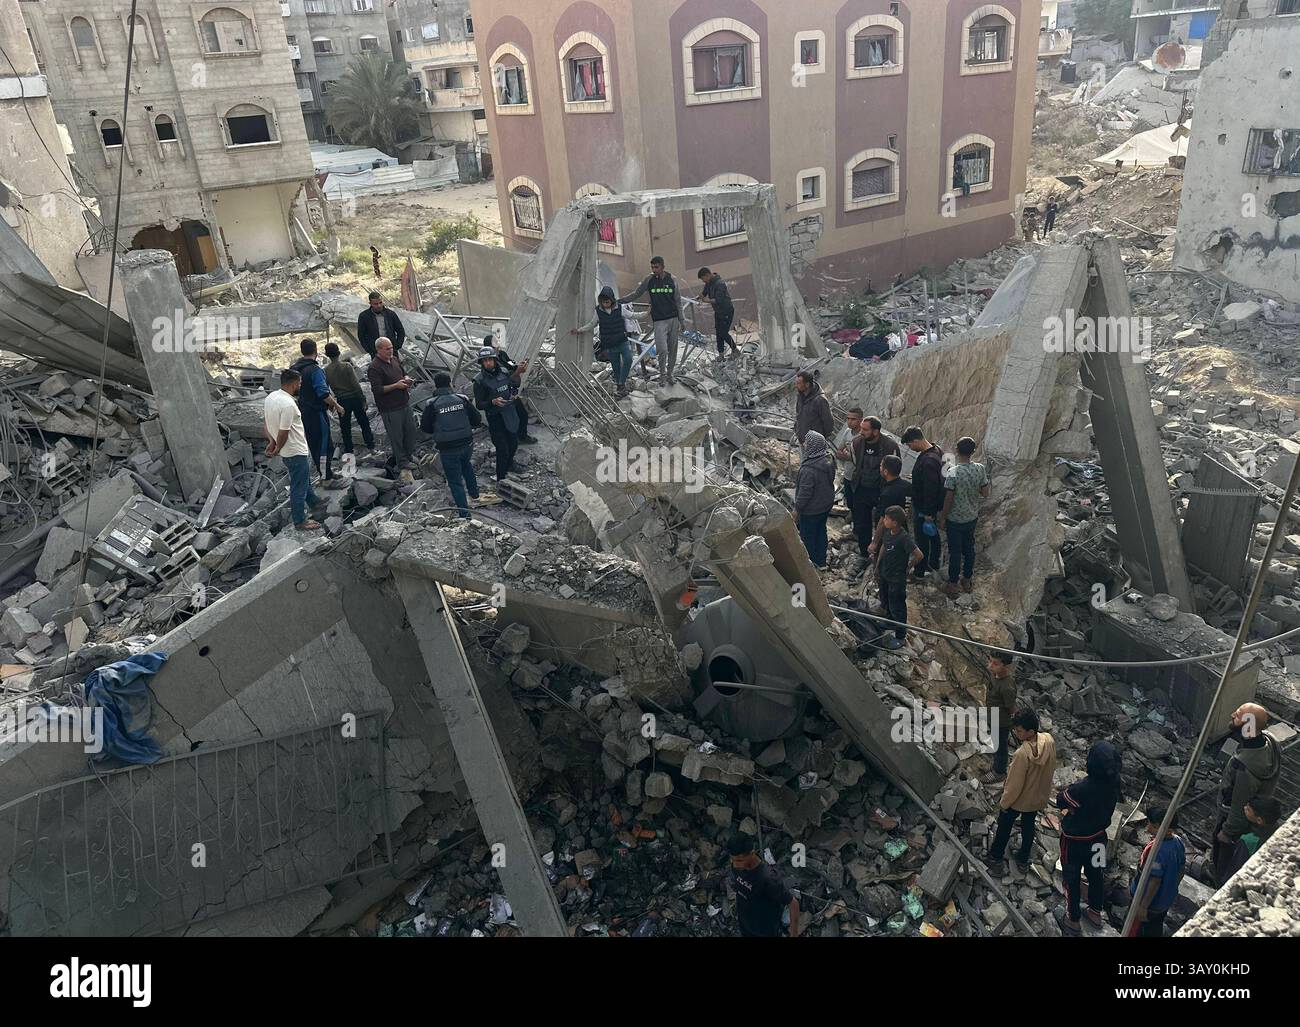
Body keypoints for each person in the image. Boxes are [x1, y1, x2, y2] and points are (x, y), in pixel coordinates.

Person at [1053, 739, 1123, 935]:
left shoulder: (1083, 788)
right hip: (1099, 840)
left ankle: (1073, 919)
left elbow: (1061, 800)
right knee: (1096, 875)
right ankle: (1095, 912)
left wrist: (1072, 809)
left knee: (1071, 879)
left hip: (1074, 843)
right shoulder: (1114, 783)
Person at [1213, 702, 1282, 884]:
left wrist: (1227, 832)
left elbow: (1239, 802)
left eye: (1236, 716)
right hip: (1255, 811)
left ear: (1248, 726)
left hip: (1237, 820)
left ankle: (1219, 881)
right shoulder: (1269, 742)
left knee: (1224, 854)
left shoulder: (1245, 767)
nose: (1231, 715)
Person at [420, 372, 499, 518]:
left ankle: (465, 514)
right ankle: (474, 494)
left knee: (455, 481)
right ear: (450, 384)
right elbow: (476, 419)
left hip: (447, 448)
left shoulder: (431, 404)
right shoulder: (461, 399)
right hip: (466, 443)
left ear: (436, 386)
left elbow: (425, 427)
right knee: (466, 465)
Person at [987, 708, 1056, 873]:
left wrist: (1004, 803)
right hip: (1037, 797)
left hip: (1019, 799)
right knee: (1028, 826)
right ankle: (1023, 859)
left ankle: (995, 857)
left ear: (1030, 732)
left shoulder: (1022, 754)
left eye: (1018, 731)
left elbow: (1014, 785)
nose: (1015, 733)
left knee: (1004, 825)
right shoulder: (1048, 741)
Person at [264, 369, 324, 531]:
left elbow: (267, 423)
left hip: (289, 450)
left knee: (303, 478)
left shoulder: (271, 397)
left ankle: (314, 502)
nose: (300, 386)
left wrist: (271, 441)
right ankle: (300, 521)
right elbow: (284, 431)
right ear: (293, 384)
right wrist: (277, 448)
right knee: (298, 486)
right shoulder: (288, 404)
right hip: (294, 450)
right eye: (300, 384)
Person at [1124, 805, 1186, 938]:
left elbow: (1154, 881)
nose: (1148, 828)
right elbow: (1182, 869)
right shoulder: (1178, 842)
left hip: (1148, 903)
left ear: (1168, 829)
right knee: (1155, 926)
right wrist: (1172, 889)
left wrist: (1143, 906)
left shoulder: (1156, 851)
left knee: (1136, 930)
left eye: (1154, 826)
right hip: (1164, 902)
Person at [618, 257, 682, 385]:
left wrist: (682, 320)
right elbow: (636, 293)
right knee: (662, 349)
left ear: (663, 266)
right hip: (659, 320)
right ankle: (662, 375)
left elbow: (678, 301)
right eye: (652, 267)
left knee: (673, 349)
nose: (654, 270)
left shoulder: (672, 280)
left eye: (656, 267)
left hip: (673, 319)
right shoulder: (649, 280)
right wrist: (620, 300)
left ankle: (670, 375)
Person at [939, 436, 989, 597]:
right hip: (971, 517)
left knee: (955, 552)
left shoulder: (953, 472)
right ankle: (967, 579)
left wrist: (943, 517)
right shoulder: (980, 469)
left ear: (956, 450)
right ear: (973, 451)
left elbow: (949, 498)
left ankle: (953, 583)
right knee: (969, 549)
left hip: (955, 519)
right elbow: (985, 492)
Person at [289, 338, 344, 484]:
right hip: (316, 412)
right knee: (325, 445)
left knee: (314, 444)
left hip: (303, 412)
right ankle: (326, 478)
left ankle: (326, 473)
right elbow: (323, 393)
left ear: (302, 351)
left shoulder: (294, 369)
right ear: (316, 351)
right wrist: (337, 406)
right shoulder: (315, 370)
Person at [727, 833, 799, 938]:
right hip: (745, 922)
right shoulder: (736, 866)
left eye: (740, 860)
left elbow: (793, 903)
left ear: (752, 854)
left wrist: (794, 934)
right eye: (733, 860)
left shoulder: (768, 879)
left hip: (764, 929)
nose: (736, 865)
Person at [850, 417, 900, 567]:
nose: (861, 432)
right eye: (861, 428)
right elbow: (855, 463)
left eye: (865, 429)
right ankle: (864, 555)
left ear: (876, 431)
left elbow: (896, 466)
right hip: (862, 489)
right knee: (861, 523)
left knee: (883, 523)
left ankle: (881, 555)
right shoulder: (857, 443)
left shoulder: (890, 446)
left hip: (881, 491)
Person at [872, 506, 922, 651]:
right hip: (886, 574)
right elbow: (883, 547)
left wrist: (907, 568)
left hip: (897, 578)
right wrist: (878, 565)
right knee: (886, 600)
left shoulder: (903, 538)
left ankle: (900, 635)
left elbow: (919, 555)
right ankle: (889, 621)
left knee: (897, 606)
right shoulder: (888, 532)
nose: (884, 521)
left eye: (887, 519)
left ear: (895, 522)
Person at [366, 337, 419, 472]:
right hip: (390, 408)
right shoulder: (374, 367)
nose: (391, 350)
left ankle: (408, 455)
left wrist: (407, 379)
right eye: (387, 349)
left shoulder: (394, 359)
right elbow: (377, 390)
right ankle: (402, 462)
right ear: (378, 350)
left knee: (410, 431)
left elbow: (404, 373)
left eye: (391, 348)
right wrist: (396, 385)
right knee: (397, 436)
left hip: (404, 403)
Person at [473, 345, 525, 482]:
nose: (488, 363)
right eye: (485, 361)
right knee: (502, 449)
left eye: (490, 359)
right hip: (495, 418)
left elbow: (513, 386)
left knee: (513, 444)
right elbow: (479, 404)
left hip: (509, 413)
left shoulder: (503, 372)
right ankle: (501, 479)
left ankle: (509, 465)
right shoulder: (479, 381)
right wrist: (493, 402)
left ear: (495, 360)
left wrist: (513, 394)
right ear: (481, 363)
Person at [573, 287, 635, 397]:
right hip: (609, 343)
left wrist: (647, 313)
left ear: (612, 300)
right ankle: (620, 387)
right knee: (615, 366)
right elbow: (592, 324)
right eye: (603, 302)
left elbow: (632, 316)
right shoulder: (598, 311)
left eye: (607, 301)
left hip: (622, 340)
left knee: (628, 359)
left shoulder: (619, 308)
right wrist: (579, 330)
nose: (605, 304)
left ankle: (621, 382)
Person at [900, 427, 945, 579]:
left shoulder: (928, 461)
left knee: (923, 540)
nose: (910, 448)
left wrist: (927, 513)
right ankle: (933, 564)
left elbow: (931, 489)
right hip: (929, 506)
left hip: (925, 507)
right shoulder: (936, 450)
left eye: (910, 444)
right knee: (932, 536)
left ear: (916, 441)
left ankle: (920, 571)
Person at [483, 333, 536, 445]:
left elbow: (511, 364)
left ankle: (522, 437)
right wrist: (517, 372)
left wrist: (520, 366)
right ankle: (511, 439)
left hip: (511, 391)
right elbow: (501, 381)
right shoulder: (490, 363)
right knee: (506, 419)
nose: (499, 345)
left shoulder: (502, 355)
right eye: (496, 344)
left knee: (522, 414)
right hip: (499, 394)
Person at [323, 342, 374, 456]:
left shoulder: (326, 371)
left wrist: (331, 404)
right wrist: (363, 400)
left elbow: (326, 390)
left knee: (345, 429)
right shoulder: (346, 366)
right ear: (339, 353)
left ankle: (349, 452)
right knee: (364, 423)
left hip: (341, 401)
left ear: (327, 355)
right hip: (355, 398)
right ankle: (371, 448)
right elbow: (356, 385)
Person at [794, 430, 835, 568]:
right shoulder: (828, 459)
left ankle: (809, 565)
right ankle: (821, 561)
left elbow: (805, 493)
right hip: (825, 505)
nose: (804, 445)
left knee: (808, 536)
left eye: (807, 442)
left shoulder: (808, 470)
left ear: (812, 446)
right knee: (820, 532)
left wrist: (796, 510)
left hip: (811, 509)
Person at [1220, 796, 1281, 883]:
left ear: (1259, 820)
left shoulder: (1248, 841)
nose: (1244, 808)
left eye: (1248, 810)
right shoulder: (1277, 828)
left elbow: (1236, 867)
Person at [985, 652, 1018, 778]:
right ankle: (996, 765)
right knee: (995, 743)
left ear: (1005, 666)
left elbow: (1012, 708)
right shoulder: (995, 675)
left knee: (1000, 746)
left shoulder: (1007, 686)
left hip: (1001, 722)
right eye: (990, 661)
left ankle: (999, 772)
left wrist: (1016, 724)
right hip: (992, 716)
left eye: (995, 663)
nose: (990, 666)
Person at [698, 267, 739, 360]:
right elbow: (704, 292)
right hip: (718, 312)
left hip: (726, 310)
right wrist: (700, 296)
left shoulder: (720, 284)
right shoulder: (709, 283)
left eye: (703, 279)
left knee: (723, 332)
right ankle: (721, 354)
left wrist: (707, 301)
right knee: (718, 332)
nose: (703, 281)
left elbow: (719, 300)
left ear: (707, 275)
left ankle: (735, 350)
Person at [357, 291, 406, 357]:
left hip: (392, 350)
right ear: (370, 303)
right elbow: (361, 336)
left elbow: (401, 331)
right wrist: (370, 350)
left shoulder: (390, 314)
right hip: (375, 352)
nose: (379, 305)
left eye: (380, 303)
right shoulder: (364, 316)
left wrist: (397, 346)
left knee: (395, 367)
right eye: (375, 304)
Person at [834, 408, 863, 513]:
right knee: (850, 501)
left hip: (860, 477)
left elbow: (862, 459)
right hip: (848, 474)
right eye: (848, 419)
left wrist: (848, 457)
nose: (849, 421)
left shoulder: (863, 435)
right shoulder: (847, 432)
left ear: (860, 420)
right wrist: (850, 457)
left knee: (859, 503)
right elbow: (838, 452)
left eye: (853, 419)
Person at [793, 370, 833, 445]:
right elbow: (798, 415)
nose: (796, 385)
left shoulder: (820, 400)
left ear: (807, 384)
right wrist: (797, 430)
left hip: (815, 444)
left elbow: (828, 424)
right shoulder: (800, 396)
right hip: (802, 441)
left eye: (798, 383)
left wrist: (819, 440)